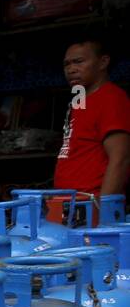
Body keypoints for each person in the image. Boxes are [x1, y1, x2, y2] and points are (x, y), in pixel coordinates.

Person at [54, 36, 130, 203]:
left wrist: (104, 212)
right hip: (67, 205)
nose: (71, 69)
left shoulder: (111, 98)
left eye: (79, 61)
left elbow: (121, 158)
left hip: (90, 206)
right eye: (67, 64)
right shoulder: (79, 99)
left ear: (103, 62)